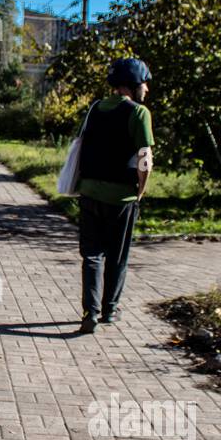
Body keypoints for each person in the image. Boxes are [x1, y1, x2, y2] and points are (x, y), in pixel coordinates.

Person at [75, 58, 153, 334]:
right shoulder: (139, 113)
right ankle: (109, 310)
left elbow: (82, 144)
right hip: (121, 198)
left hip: (89, 193)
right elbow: (144, 158)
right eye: (144, 83)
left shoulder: (96, 108)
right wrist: (140, 191)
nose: (146, 89)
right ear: (133, 84)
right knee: (118, 256)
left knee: (92, 255)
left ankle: (90, 311)